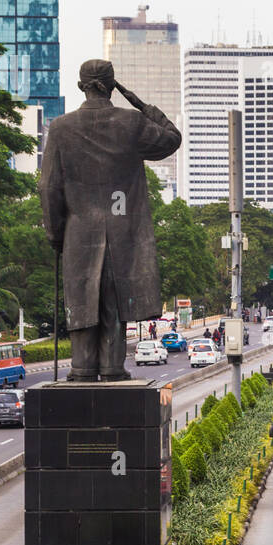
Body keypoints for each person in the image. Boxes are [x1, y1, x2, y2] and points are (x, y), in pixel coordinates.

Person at [40, 59, 182, 382]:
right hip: (122, 236)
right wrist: (138, 102)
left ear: (82, 86)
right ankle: (113, 369)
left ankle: (81, 370)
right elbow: (172, 137)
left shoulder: (61, 128)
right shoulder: (131, 124)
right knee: (113, 307)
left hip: (78, 236)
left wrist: (56, 234)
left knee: (82, 308)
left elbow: (48, 187)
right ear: (111, 86)